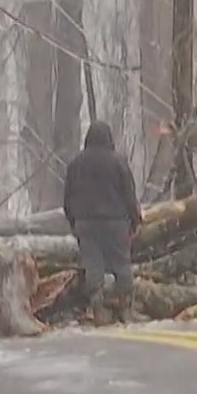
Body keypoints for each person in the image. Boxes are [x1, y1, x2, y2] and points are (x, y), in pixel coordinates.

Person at [62, 119, 144, 322]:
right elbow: (129, 194)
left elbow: (68, 198)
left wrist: (74, 222)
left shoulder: (75, 164)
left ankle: (98, 306)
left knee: (93, 265)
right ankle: (125, 308)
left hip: (86, 223)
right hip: (116, 222)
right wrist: (135, 220)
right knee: (122, 265)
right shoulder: (118, 162)